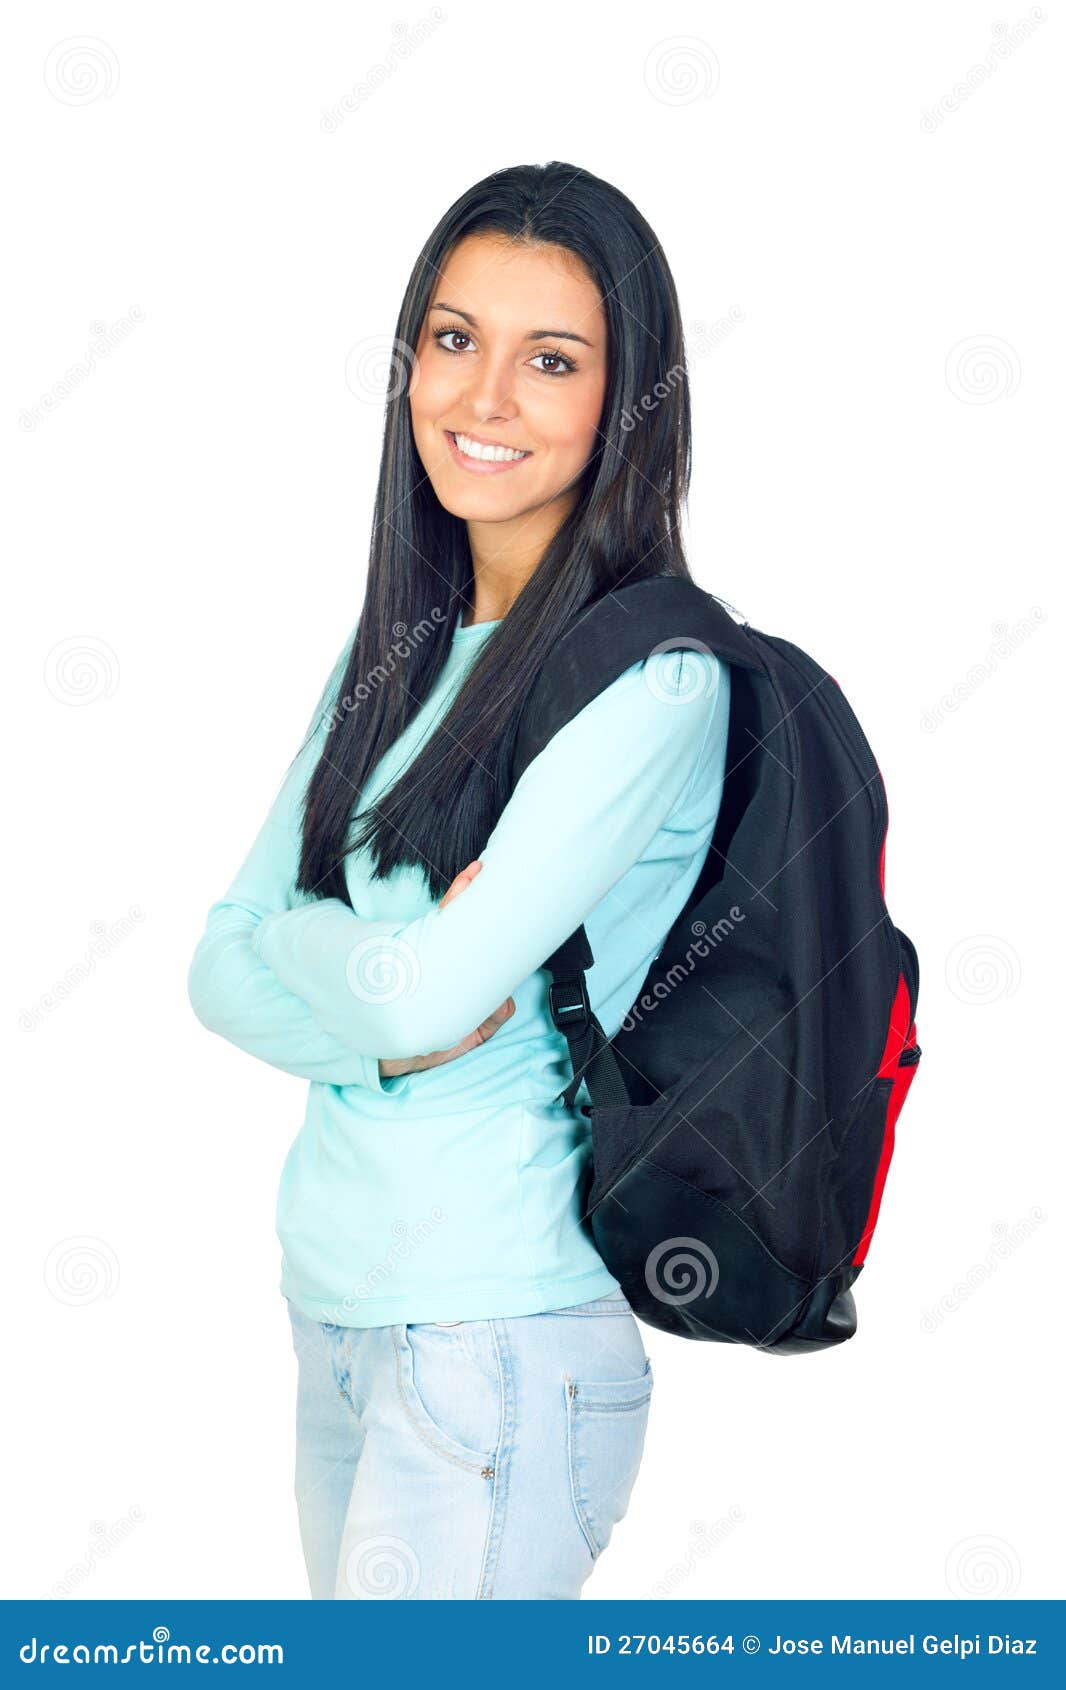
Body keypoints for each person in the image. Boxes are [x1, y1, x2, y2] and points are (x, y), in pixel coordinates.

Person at [187, 160, 732, 1600]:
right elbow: (219, 964)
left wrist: (346, 967)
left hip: (500, 1335)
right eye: (452, 339)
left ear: (627, 401)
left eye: (550, 360)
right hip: (337, 1312)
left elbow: (410, 987)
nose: (483, 398)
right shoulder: (398, 648)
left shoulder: (654, 679)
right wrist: (383, 1012)